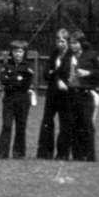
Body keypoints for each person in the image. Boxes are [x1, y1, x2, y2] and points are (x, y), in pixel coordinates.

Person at [37, 29, 73, 160]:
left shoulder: (71, 56)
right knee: (47, 121)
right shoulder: (54, 54)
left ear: (68, 41)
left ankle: (62, 153)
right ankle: (45, 152)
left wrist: (54, 73)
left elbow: (68, 74)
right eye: (57, 40)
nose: (60, 43)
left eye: (63, 41)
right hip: (52, 93)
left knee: (65, 123)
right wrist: (56, 76)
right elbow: (46, 73)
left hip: (66, 94)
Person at [0, 39, 37, 159]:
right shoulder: (6, 65)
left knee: (21, 126)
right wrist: (17, 79)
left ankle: (19, 153)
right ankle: (3, 153)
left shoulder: (28, 67)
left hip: (22, 99)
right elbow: (3, 80)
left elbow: (26, 83)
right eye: (15, 51)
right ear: (12, 52)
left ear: (24, 52)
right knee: (7, 125)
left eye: (20, 51)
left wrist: (12, 80)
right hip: (9, 99)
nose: (17, 54)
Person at [64, 31, 99, 162]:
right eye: (71, 43)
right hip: (72, 94)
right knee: (74, 125)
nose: (72, 46)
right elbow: (61, 71)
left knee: (87, 124)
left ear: (81, 43)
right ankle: (77, 155)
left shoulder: (91, 56)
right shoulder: (68, 57)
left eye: (75, 43)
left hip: (85, 94)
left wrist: (87, 73)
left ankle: (90, 155)